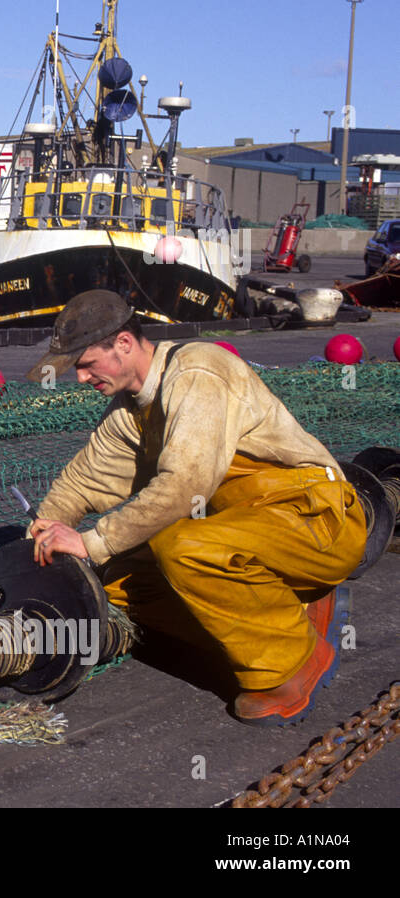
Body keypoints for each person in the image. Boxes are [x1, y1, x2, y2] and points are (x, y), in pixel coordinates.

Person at [24, 290, 366, 726]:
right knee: (120, 585)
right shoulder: (130, 411)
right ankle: (291, 608)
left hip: (315, 517)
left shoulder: (198, 371)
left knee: (181, 547)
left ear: (124, 343)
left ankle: (292, 663)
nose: (80, 377)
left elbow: (185, 486)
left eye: (86, 363)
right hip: (244, 526)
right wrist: (43, 530)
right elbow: (83, 482)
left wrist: (92, 542)